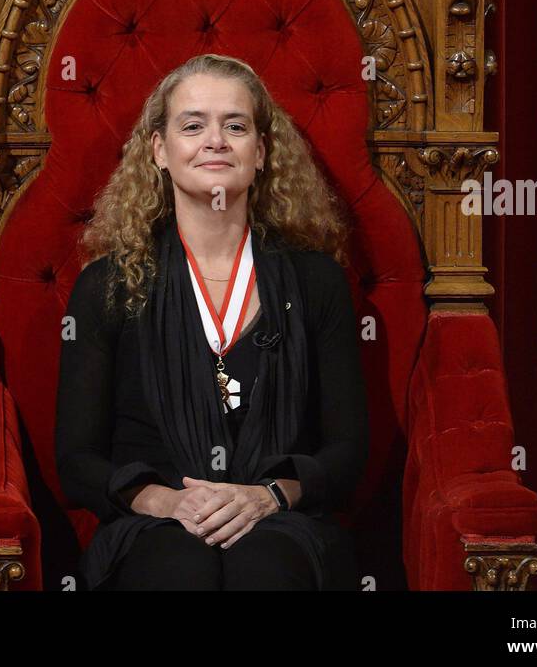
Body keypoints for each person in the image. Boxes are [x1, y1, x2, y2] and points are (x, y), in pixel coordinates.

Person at [55, 53, 369, 591]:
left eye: (236, 126)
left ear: (262, 152)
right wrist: (168, 503)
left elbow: (347, 449)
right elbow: (78, 458)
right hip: (152, 524)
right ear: (159, 150)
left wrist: (265, 497)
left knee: (265, 567)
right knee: (180, 569)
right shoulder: (107, 285)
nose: (216, 140)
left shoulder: (317, 281)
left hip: (284, 524)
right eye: (193, 125)